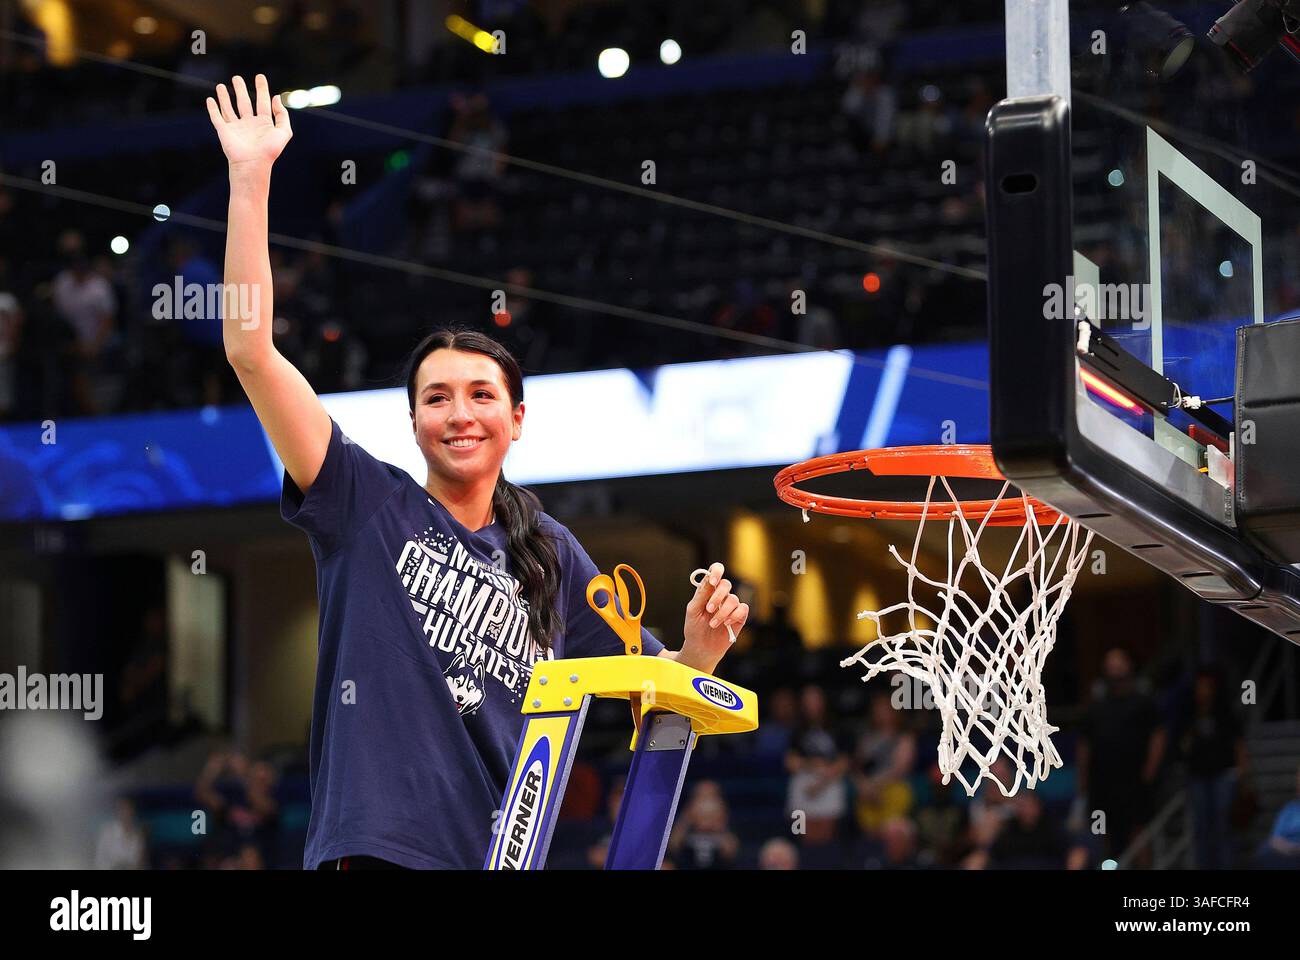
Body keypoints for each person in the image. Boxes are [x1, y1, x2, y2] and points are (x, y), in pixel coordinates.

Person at [205, 75, 749, 870]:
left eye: (481, 394)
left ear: (516, 419)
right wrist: (251, 179)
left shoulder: (552, 551)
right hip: (377, 852)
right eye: (437, 397)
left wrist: (699, 650)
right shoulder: (361, 500)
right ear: (415, 422)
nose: (460, 413)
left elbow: (657, 691)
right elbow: (252, 353)